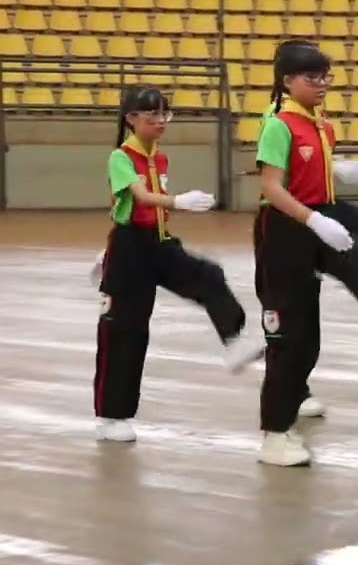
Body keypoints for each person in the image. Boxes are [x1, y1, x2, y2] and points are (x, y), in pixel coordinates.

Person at [254, 41, 358, 468]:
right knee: (294, 331)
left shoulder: (321, 123)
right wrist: (312, 221)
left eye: (326, 76)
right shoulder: (278, 123)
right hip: (287, 227)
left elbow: (309, 165)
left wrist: (337, 168)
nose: (322, 84)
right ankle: (275, 432)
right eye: (313, 77)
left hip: (321, 213)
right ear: (288, 81)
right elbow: (273, 187)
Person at [94, 86, 258, 443]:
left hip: (159, 241)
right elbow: (139, 197)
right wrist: (177, 201)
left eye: (164, 114)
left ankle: (233, 338)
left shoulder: (161, 159)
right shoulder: (121, 157)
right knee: (127, 330)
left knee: (208, 276)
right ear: (131, 118)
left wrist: (173, 206)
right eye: (151, 114)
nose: (159, 121)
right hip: (129, 248)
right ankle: (112, 415)